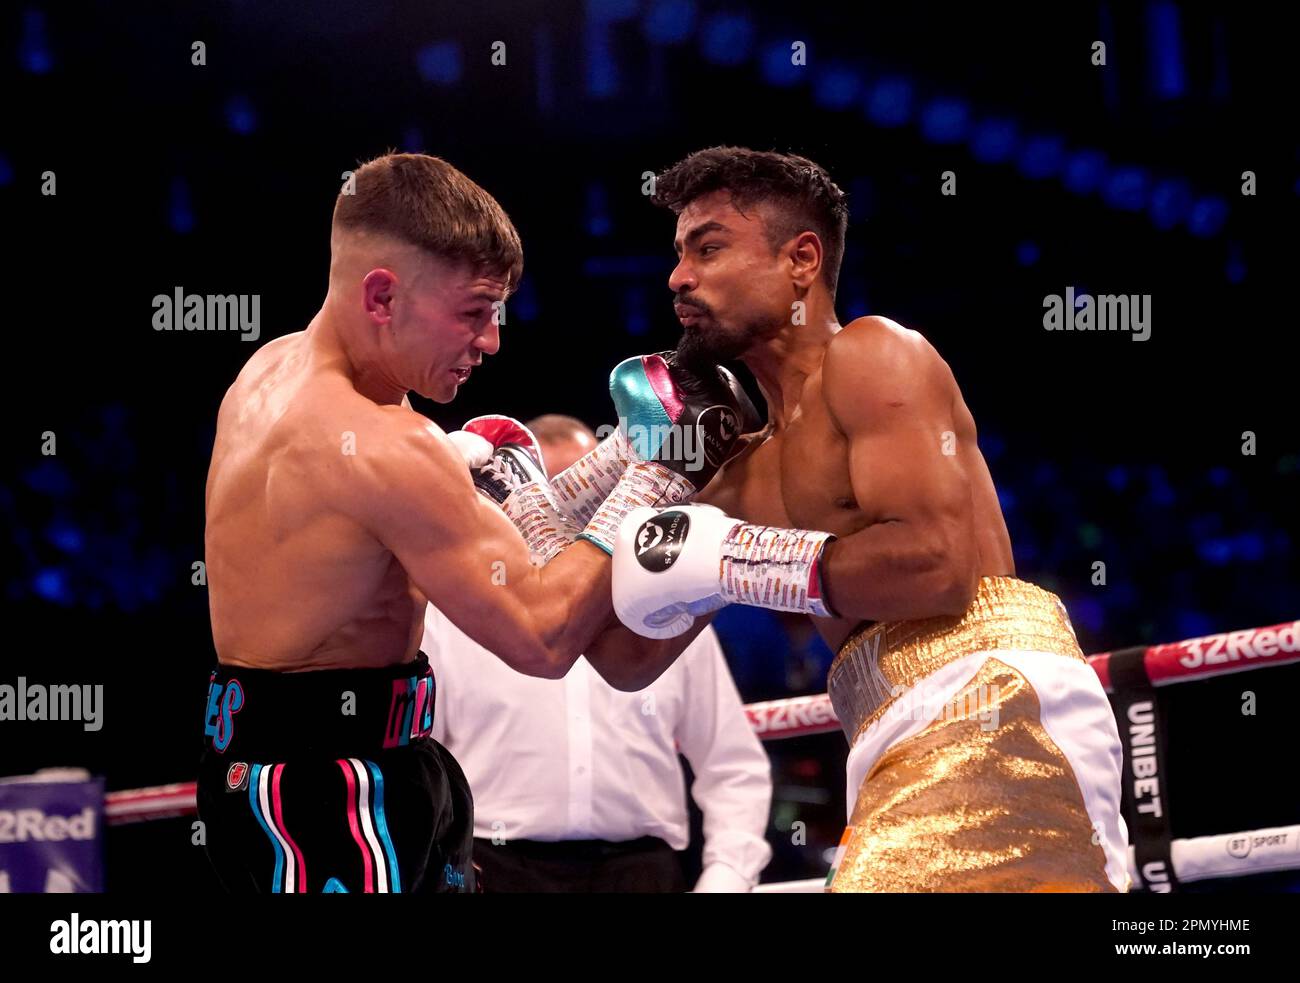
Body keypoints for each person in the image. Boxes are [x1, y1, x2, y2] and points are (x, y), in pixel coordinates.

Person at [198, 153, 753, 893]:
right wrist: (658, 472)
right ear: (382, 295)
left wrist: (615, 457)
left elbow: (487, 537)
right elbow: (544, 634)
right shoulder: (386, 450)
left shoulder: (267, 373)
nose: (490, 340)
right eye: (473, 311)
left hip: (317, 762)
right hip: (331, 795)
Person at [589, 146, 1130, 892]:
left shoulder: (873, 355)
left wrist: (736, 559)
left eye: (708, 248)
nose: (678, 277)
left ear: (802, 260)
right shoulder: (737, 476)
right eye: (679, 254)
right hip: (882, 732)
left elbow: (936, 567)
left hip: (990, 698)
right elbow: (622, 657)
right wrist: (613, 485)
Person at [423, 415, 773, 892]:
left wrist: (727, 876)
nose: (570, 522)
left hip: (642, 872)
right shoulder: (459, 617)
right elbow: (424, 769)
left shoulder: (665, 613)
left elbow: (732, 765)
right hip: (496, 868)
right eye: (556, 501)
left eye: (593, 499)